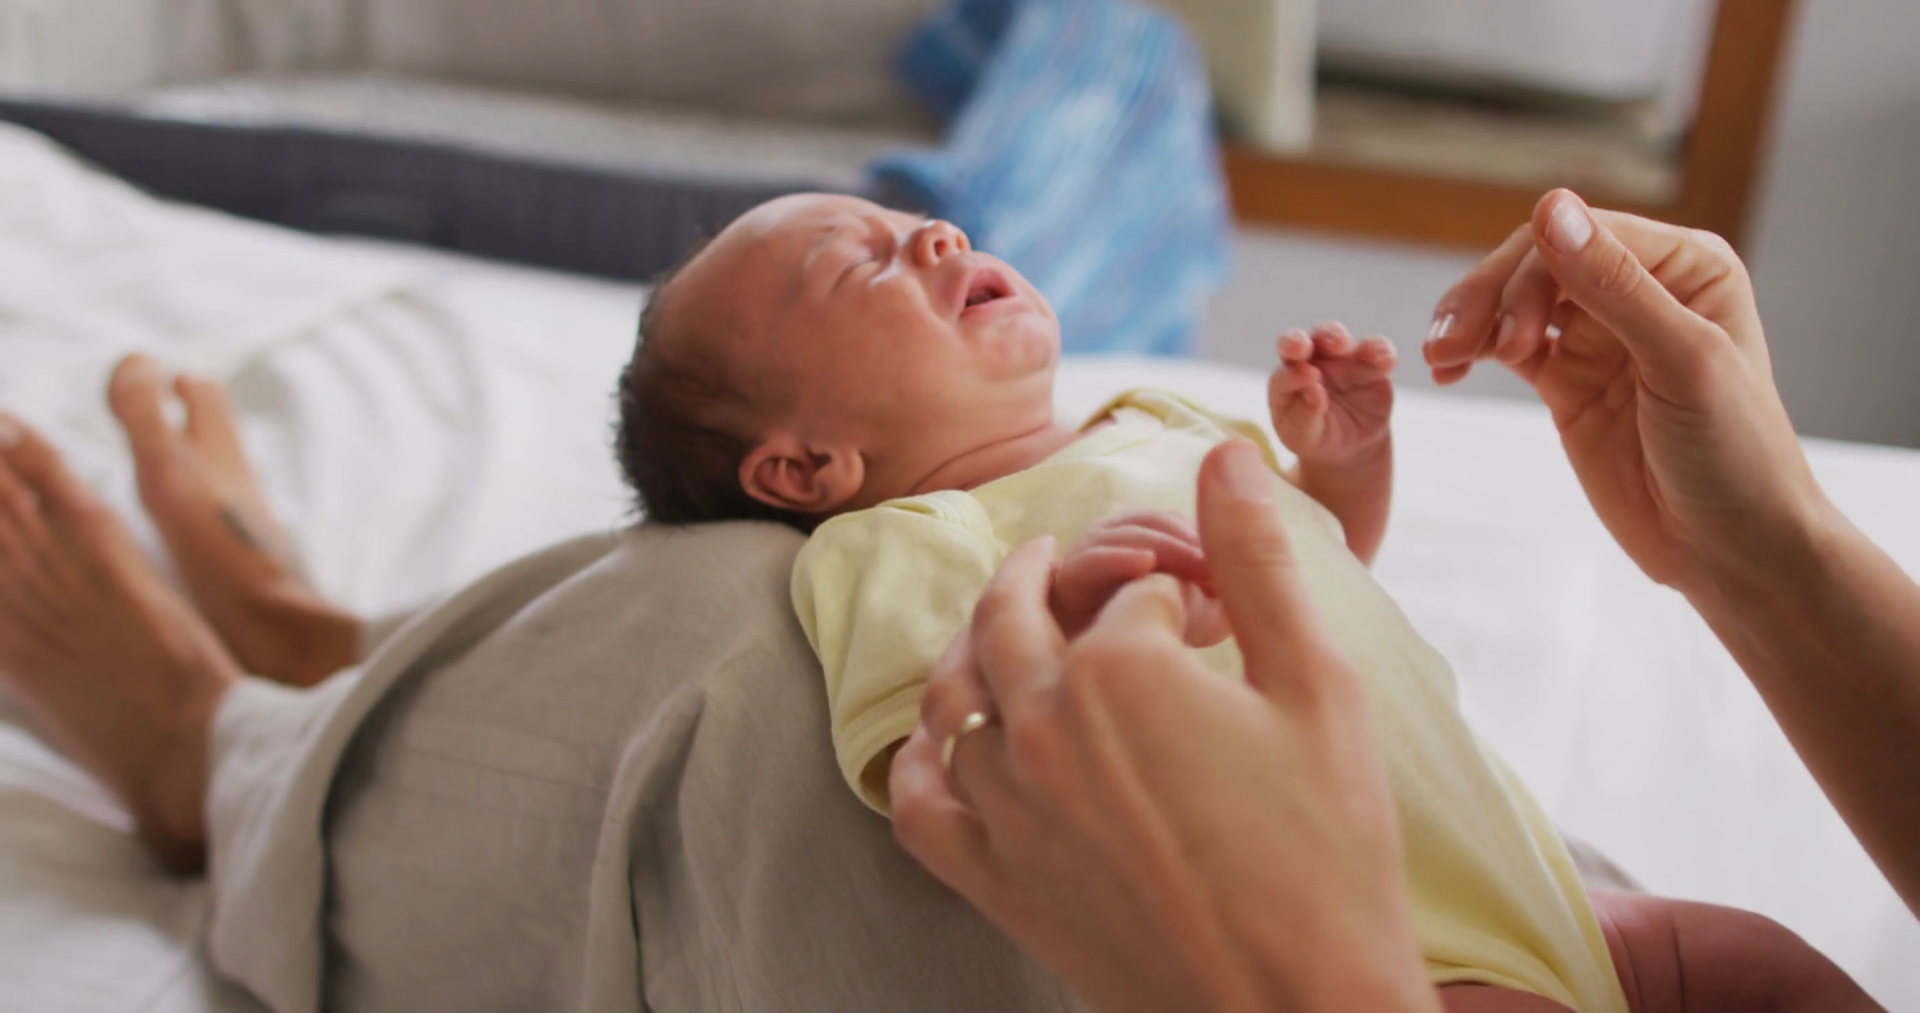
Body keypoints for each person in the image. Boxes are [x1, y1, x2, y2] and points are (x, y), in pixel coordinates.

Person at [612, 192, 1872, 1011]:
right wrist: (1074, 619)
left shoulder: (1152, 420)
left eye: (911, 217)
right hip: (1394, 937)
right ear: (804, 468)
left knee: (1772, 966)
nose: (934, 235)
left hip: (1533, 882)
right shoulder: (896, 542)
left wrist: (1339, 463)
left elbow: (1320, 573)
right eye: (862, 266)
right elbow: (931, 744)